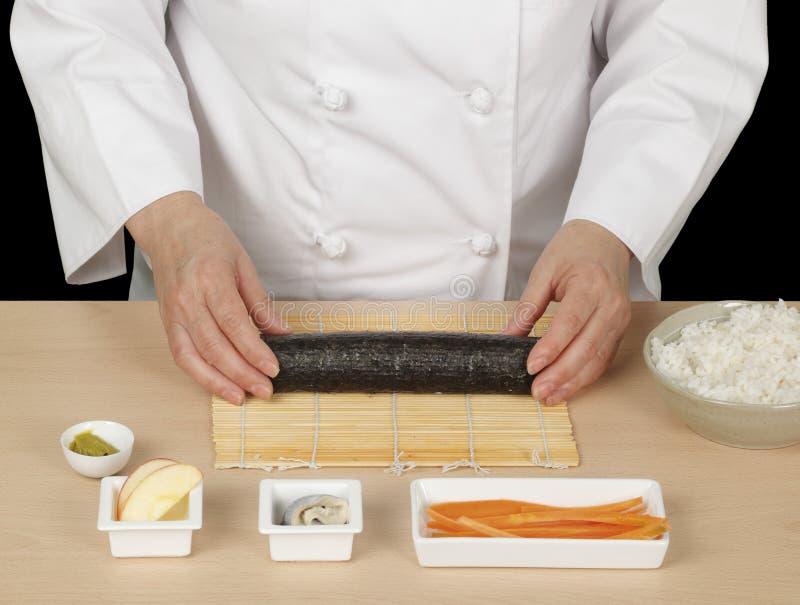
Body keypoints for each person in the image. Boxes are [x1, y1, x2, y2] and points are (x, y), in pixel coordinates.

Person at [11, 2, 767, 405]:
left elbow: (691, 33)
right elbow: (84, 19)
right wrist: (169, 222)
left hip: (539, 322)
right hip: (234, 317)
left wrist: (613, 223)